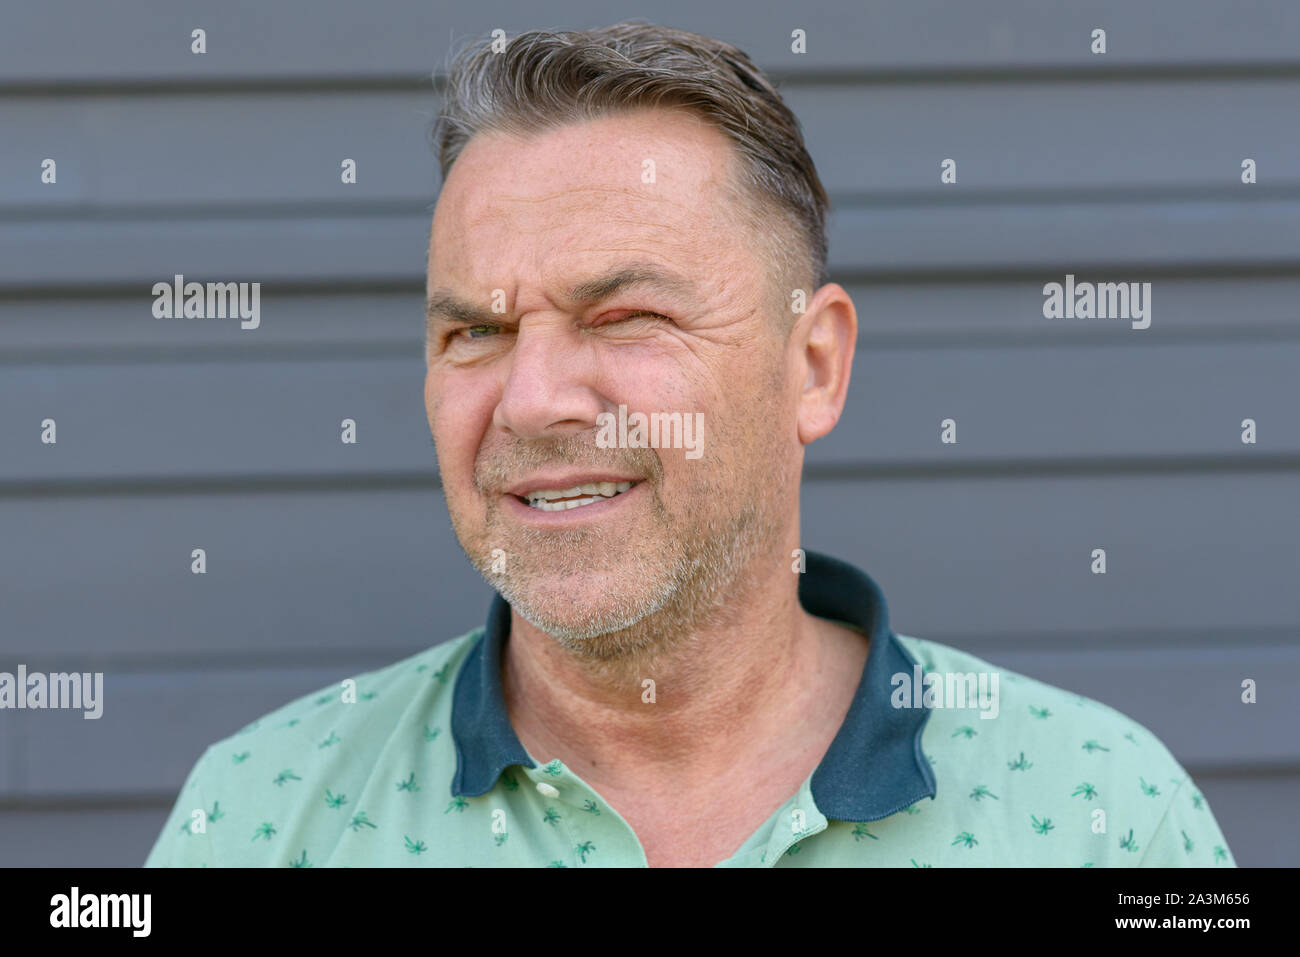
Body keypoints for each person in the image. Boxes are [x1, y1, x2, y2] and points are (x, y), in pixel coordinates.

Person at [145, 20, 1233, 868]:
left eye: (624, 318)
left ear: (812, 366)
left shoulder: (1100, 815)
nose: (530, 401)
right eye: (474, 331)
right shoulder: (260, 817)